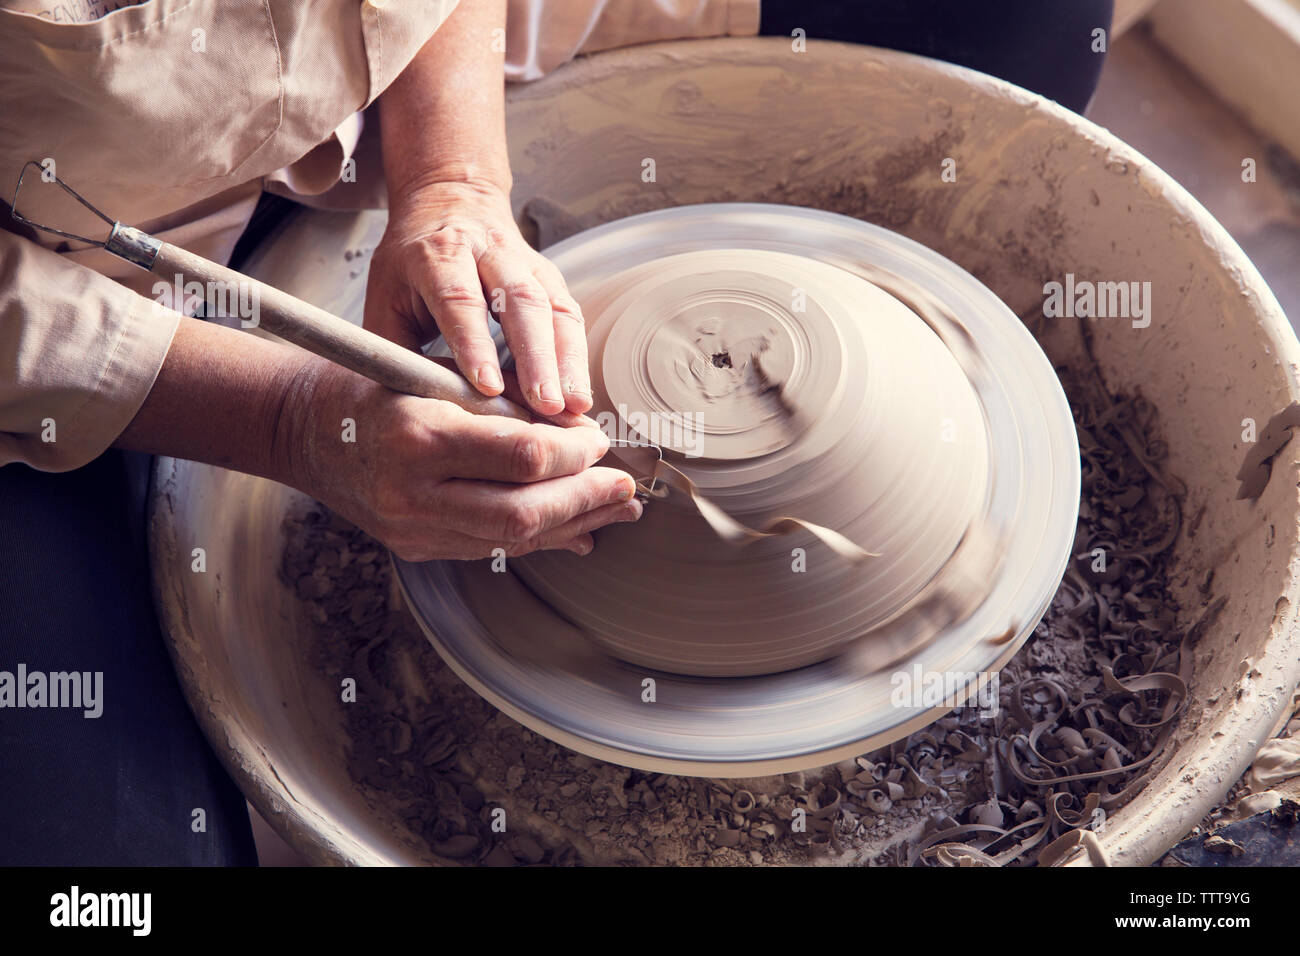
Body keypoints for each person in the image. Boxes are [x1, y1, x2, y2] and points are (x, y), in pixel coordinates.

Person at [0, 0, 1112, 864]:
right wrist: (291, 418)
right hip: (69, 285)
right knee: (103, 865)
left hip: (385, 71)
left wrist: (454, 179)